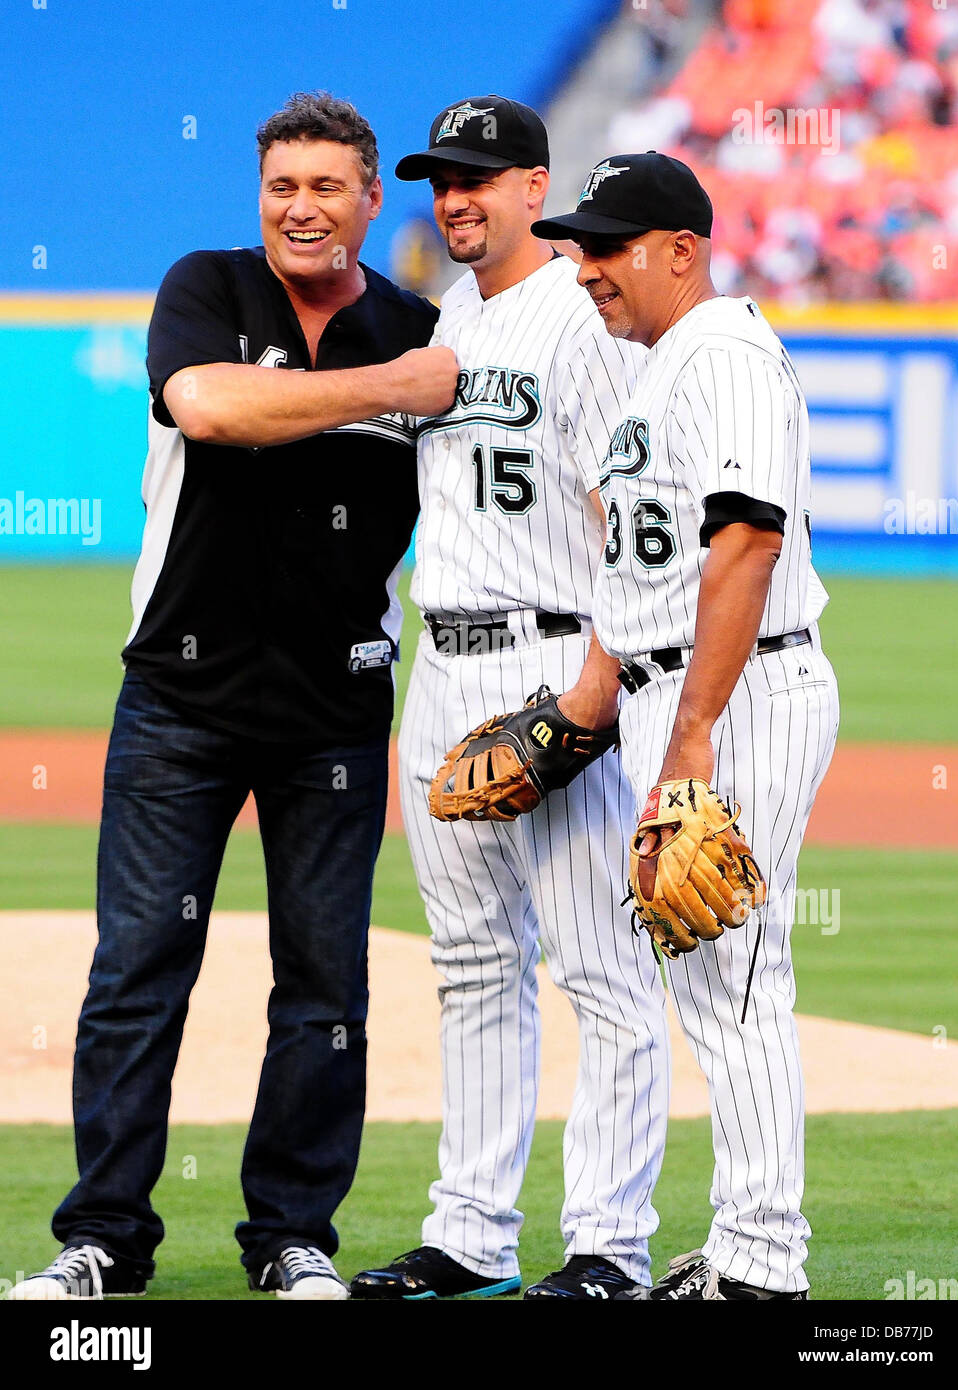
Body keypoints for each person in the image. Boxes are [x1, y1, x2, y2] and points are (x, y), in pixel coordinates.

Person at [9, 91, 457, 1303]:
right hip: (181, 694)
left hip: (338, 704)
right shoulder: (204, 286)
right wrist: (390, 392)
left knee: (325, 984)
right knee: (138, 970)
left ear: (373, 198)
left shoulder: (421, 326)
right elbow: (209, 406)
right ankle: (102, 1240)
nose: (299, 209)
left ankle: (292, 1239)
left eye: (325, 187)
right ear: (257, 197)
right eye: (280, 187)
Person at [349, 96, 670, 1303]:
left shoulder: (583, 325)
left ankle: (604, 1249)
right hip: (441, 667)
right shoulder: (443, 320)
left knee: (600, 966)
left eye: (482, 177)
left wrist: (593, 698)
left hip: (557, 668)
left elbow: (637, 530)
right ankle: (470, 1232)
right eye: (442, 179)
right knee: (473, 963)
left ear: (538, 188)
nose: (457, 198)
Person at [530, 152, 839, 1300]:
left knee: (736, 979)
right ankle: (744, 1239)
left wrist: (694, 730)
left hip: (738, 686)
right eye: (577, 246)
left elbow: (747, 540)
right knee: (712, 978)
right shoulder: (661, 367)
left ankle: (762, 1269)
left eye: (606, 248)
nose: (585, 269)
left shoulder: (727, 354)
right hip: (686, 686)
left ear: (679, 251)